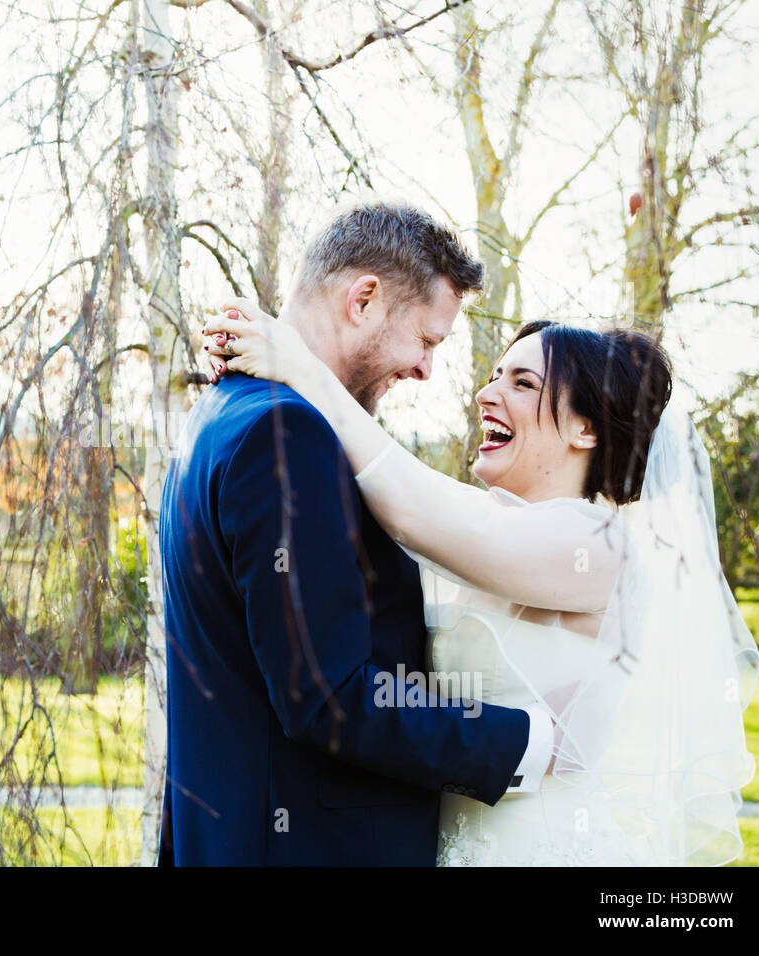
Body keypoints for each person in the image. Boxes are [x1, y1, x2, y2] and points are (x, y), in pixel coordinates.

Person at [201, 270, 759, 865]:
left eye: (522, 383)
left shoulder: (599, 542)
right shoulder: (493, 520)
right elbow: (399, 503)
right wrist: (259, 353)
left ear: (585, 428)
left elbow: (414, 508)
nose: (486, 394)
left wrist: (300, 365)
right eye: (495, 376)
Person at [156, 200, 557, 866]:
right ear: (364, 300)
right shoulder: (286, 438)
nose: (427, 370)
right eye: (427, 340)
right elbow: (329, 696)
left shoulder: (220, 414)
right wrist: (523, 741)